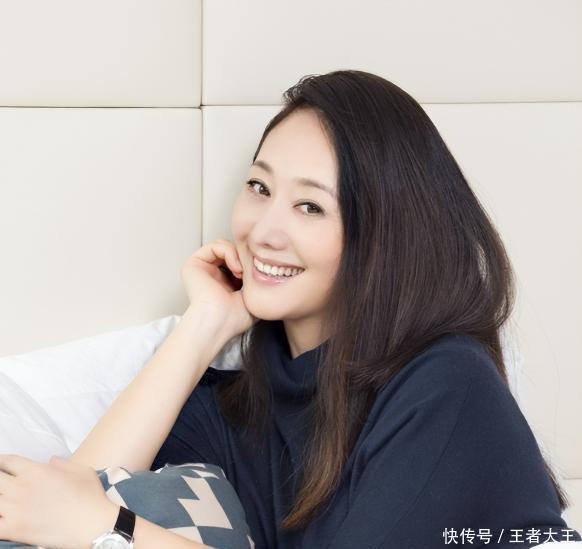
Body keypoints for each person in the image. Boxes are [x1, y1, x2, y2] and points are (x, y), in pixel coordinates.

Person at [0, 70, 580, 549]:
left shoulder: (445, 383)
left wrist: (115, 531)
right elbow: (55, 508)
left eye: (310, 207)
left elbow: (89, 516)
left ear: (383, 237)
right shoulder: (245, 403)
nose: (264, 232)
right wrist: (204, 325)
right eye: (259, 188)